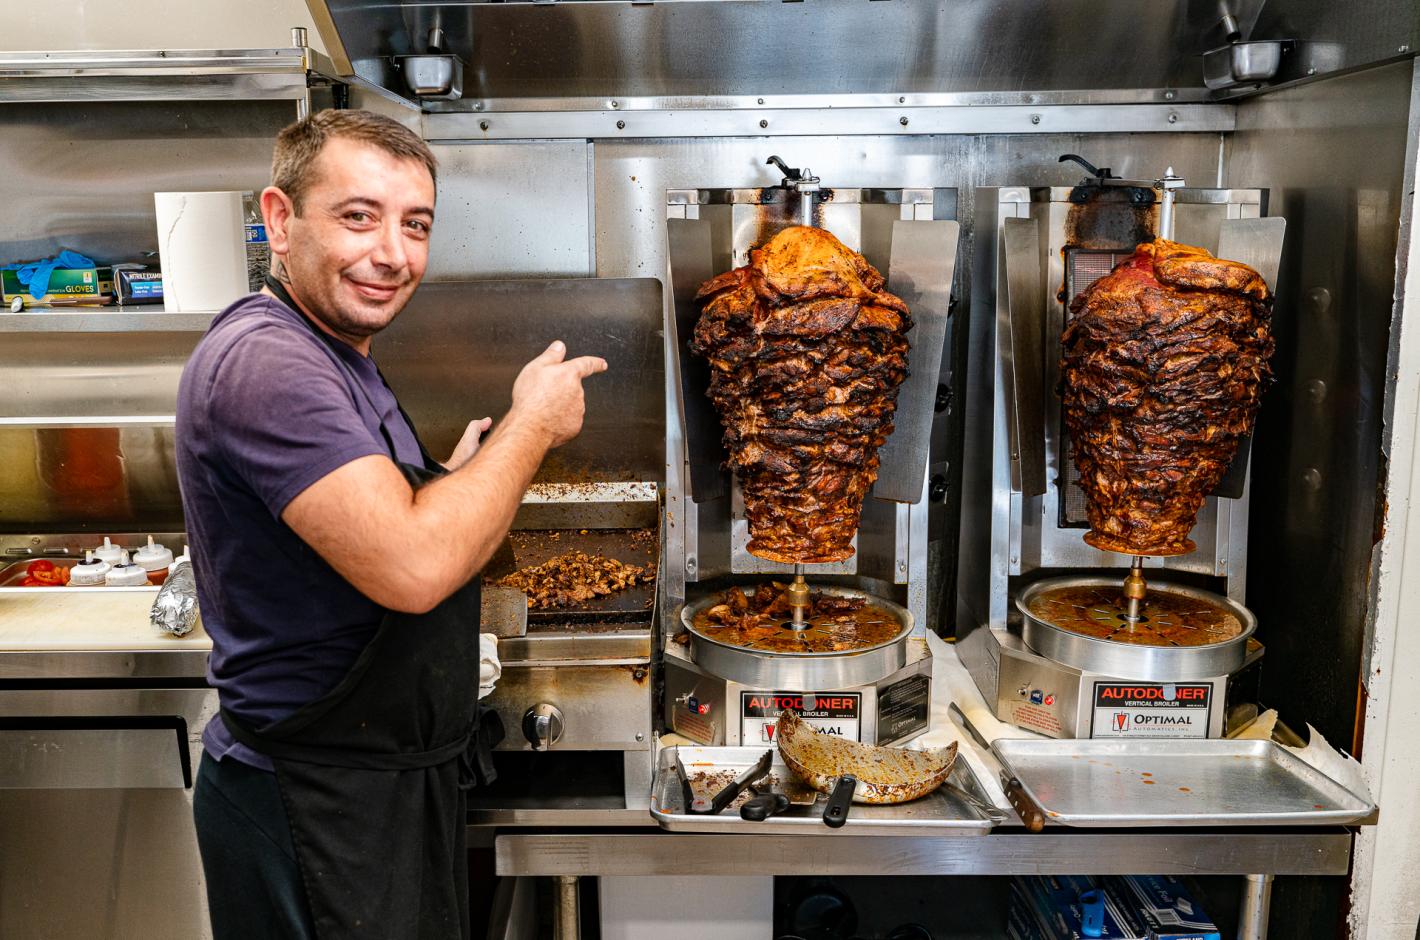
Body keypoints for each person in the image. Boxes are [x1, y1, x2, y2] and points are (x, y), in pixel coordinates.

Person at [175, 108, 607, 939]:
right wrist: (531, 426)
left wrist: (455, 476)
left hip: (374, 788)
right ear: (279, 218)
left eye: (416, 225)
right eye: (357, 216)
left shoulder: (334, 351)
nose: (393, 255)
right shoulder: (269, 364)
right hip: (314, 804)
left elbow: (382, 516)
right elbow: (411, 566)